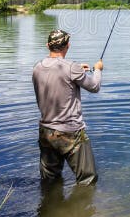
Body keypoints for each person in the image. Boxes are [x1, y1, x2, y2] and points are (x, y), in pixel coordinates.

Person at [32, 29, 103, 184]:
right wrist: (97, 69)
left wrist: (77, 70)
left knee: (49, 180)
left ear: (47, 45)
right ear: (68, 45)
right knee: (87, 180)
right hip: (71, 132)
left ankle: (49, 199)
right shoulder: (71, 67)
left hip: (46, 132)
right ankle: (83, 201)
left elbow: (58, 73)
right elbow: (94, 86)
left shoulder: (37, 67)